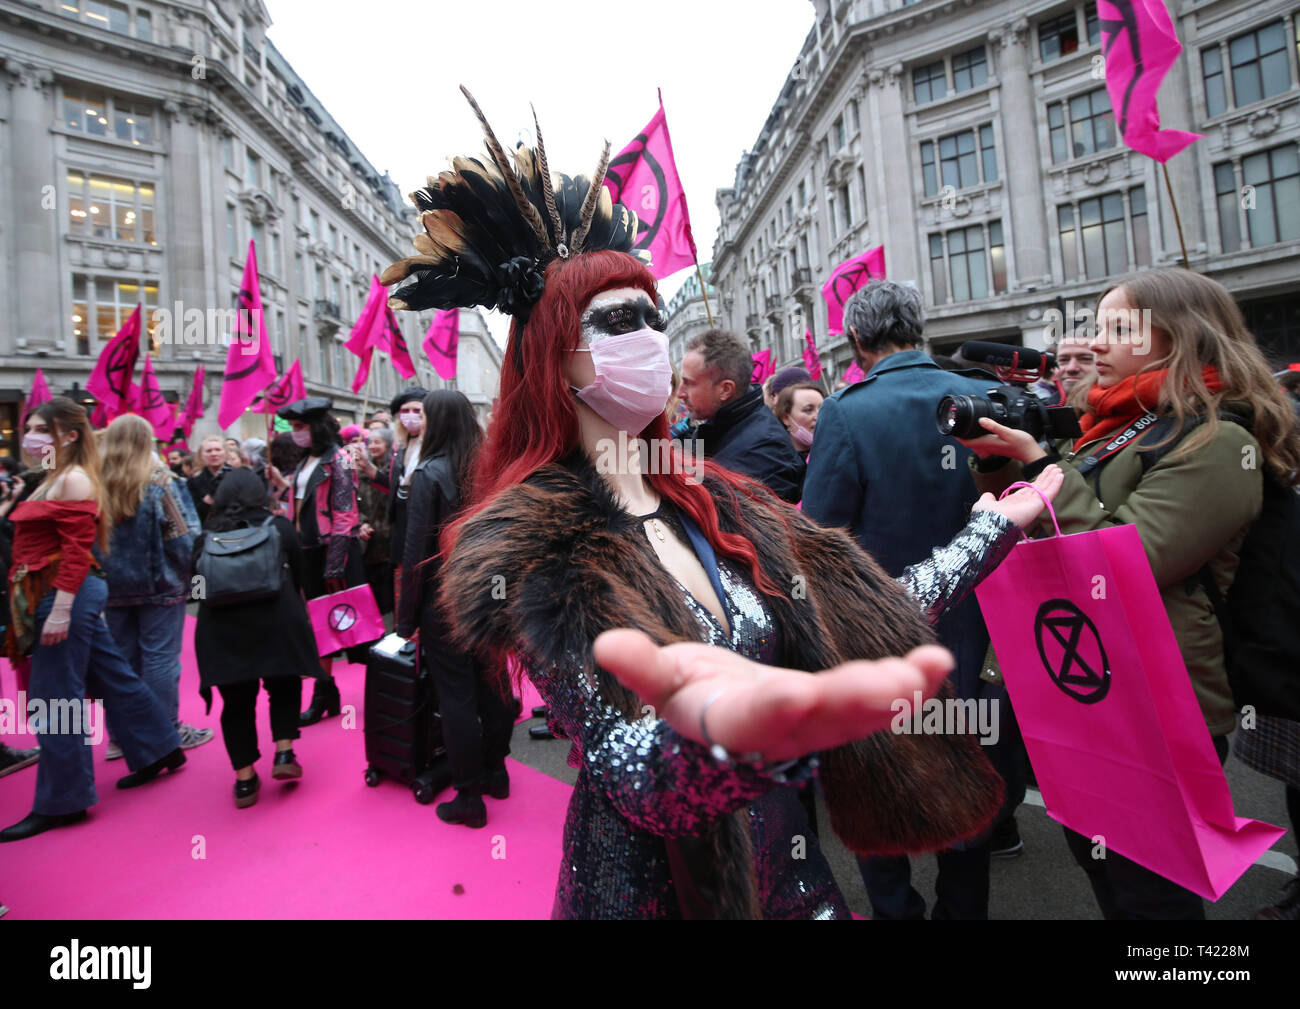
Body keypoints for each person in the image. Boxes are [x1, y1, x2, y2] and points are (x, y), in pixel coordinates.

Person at [380, 100, 1061, 918]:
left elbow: (871, 611)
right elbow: (630, 771)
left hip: (792, 879)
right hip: (653, 893)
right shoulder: (526, 549)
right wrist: (738, 726)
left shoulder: (721, 503)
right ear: (559, 358)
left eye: (655, 319)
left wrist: (998, 524)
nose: (652, 340)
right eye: (622, 322)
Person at [962, 267, 1300, 920]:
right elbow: (1042, 522)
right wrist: (996, 459)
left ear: (1179, 338)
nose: (1097, 341)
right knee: (1109, 877)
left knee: (1151, 896)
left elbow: (1125, 563)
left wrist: (1041, 464)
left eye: (1121, 328)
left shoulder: (1219, 441)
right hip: (1086, 688)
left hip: (1153, 699)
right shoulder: (1119, 426)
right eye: (1098, 324)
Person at [801, 279, 1027, 919]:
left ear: (856, 342)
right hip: (986, 638)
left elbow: (821, 539)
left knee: (878, 787)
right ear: (919, 328)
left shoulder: (847, 411)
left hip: (884, 639)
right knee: (973, 784)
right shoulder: (990, 394)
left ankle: (897, 912)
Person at [0, 398, 184, 843]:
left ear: (70, 435)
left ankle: (64, 800)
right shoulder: (52, 477)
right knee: (112, 676)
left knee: (55, 699)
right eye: (30, 426)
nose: (31, 434)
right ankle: (160, 746)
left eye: (42, 427)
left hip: (64, 596)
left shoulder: (75, 479)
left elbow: (79, 550)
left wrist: (61, 609)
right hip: (58, 594)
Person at [395, 390, 513, 827]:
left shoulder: (429, 473)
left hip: (446, 599)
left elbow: (416, 554)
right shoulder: (490, 468)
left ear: (438, 422)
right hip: (490, 592)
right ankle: (495, 771)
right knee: (493, 683)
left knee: (457, 694)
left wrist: (405, 619)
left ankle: (468, 796)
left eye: (424, 415)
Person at [193, 469, 323, 807]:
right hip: (276, 623)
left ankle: (245, 780)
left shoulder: (204, 538)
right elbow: (300, 574)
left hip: (222, 632)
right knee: (283, 686)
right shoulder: (279, 529)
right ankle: (283, 753)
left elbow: (195, 591)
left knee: (236, 703)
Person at [97, 415, 212, 754]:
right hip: (160, 584)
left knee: (121, 663)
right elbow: (181, 537)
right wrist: (193, 578)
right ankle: (166, 732)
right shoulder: (160, 481)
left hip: (112, 587)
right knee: (160, 660)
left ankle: (120, 736)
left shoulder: (93, 483)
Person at [277, 397, 368, 724]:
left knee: (353, 625)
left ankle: (388, 687)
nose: (296, 433)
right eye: (294, 428)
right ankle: (325, 690)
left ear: (316, 427)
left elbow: (346, 515)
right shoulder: (304, 462)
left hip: (333, 554)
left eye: (300, 427)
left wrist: (335, 563)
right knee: (319, 626)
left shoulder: (340, 460)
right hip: (306, 553)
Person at [679, 329, 805, 502]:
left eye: (688, 383)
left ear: (725, 389)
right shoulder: (715, 429)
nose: (680, 393)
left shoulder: (766, 452)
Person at [351, 387, 429, 614]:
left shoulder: (431, 446)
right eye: (405, 410)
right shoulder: (402, 450)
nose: (410, 415)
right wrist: (366, 466)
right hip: (400, 528)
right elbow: (394, 486)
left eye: (417, 410)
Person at [355, 425, 394, 615]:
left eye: (377, 442)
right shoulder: (359, 473)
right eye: (370, 442)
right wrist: (361, 522)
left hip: (389, 540)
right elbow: (354, 502)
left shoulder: (394, 471)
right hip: (367, 542)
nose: (372, 446)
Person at [773, 381, 823, 461]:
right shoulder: (776, 462)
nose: (818, 416)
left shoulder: (838, 451)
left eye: (822, 408)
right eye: (808, 410)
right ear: (786, 418)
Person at [188, 436, 229, 525]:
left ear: (225, 453)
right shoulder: (194, 482)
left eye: (218, 450)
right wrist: (205, 503)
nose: (214, 454)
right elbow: (191, 512)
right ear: (201, 455)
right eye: (208, 451)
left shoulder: (238, 476)